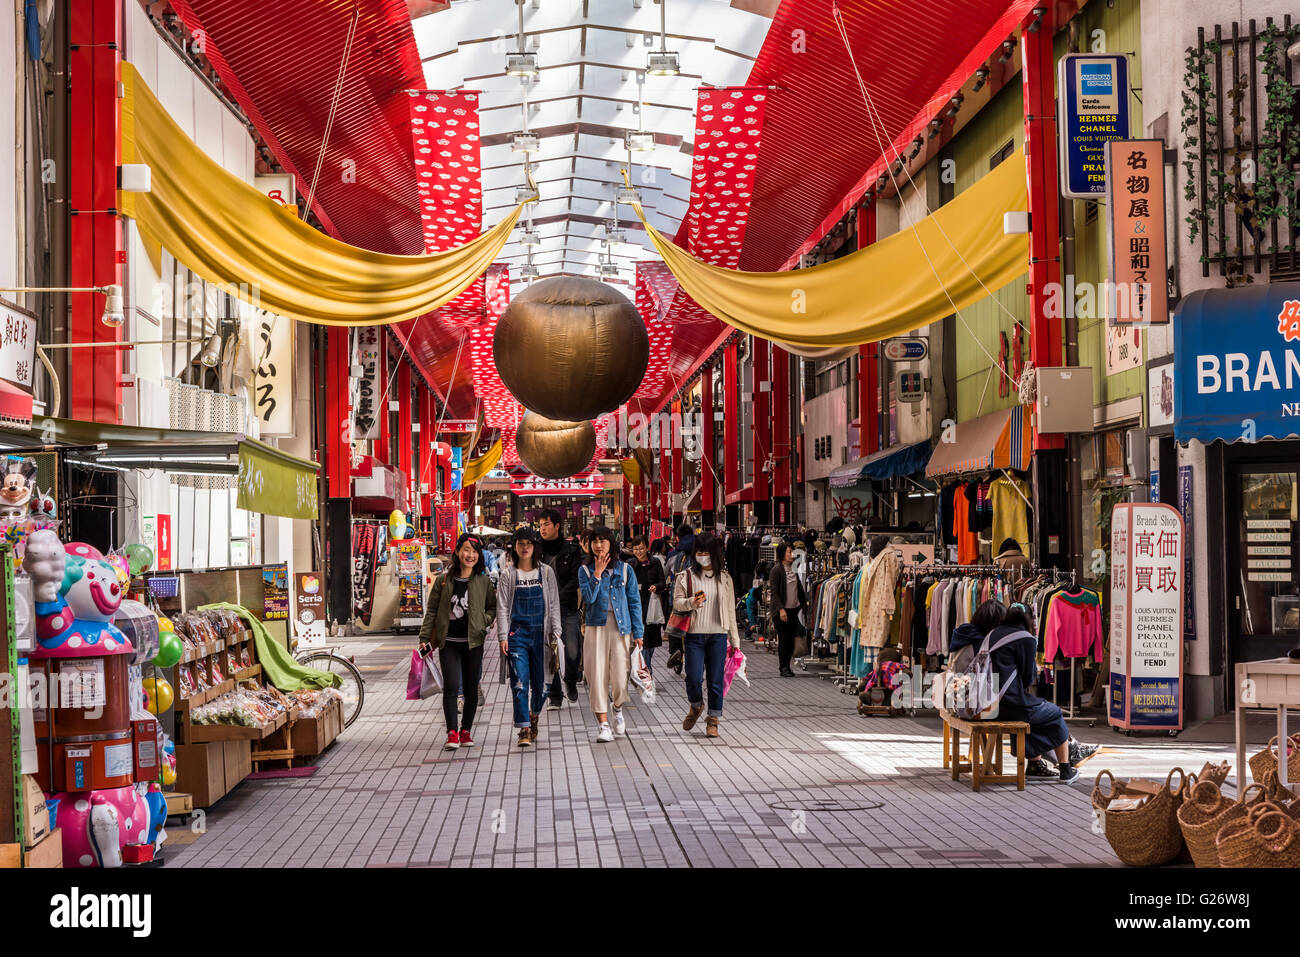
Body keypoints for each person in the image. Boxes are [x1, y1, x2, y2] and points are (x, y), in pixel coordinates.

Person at [948, 601, 1096, 782]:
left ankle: (1034, 764)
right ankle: (1066, 769)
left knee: (1035, 712)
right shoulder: (1025, 638)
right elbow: (1028, 677)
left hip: (984, 704)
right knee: (1054, 713)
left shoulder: (992, 634)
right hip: (1007, 704)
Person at [419, 533, 496, 751]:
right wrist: (425, 637)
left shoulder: (483, 580)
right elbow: (432, 610)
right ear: (457, 552)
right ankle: (452, 732)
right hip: (449, 642)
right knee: (451, 687)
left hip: (473, 642)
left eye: (474, 551)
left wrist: (485, 621)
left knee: (471, 689)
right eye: (466, 549)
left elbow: (492, 607)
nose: (469, 555)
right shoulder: (444, 579)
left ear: (478, 555)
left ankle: (466, 731)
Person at [672, 532, 742, 740]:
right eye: (699, 551)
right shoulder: (686, 577)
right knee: (692, 677)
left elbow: (730, 610)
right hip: (694, 635)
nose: (703, 555)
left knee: (715, 680)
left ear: (715, 553)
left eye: (706, 551)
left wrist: (735, 640)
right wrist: (690, 602)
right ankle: (696, 705)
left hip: (718, 635)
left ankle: (713, 720)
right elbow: (676, 602)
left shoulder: (725, 579)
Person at [496, 527, 561, 748]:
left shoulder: (546, 573)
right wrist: (503, 636)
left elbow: (553, 603)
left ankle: (534, 715)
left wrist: (556, 632)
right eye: (520, 543)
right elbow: (502, 607)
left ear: (535, 547)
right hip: (517, 637)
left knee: (543, 686)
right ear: (514, 547)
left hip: (542, 635)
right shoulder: (508, 575)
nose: (525, 548)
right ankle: (524, 728)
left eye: (529, 544)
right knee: (520, 683)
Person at [578, 525, 644, 742]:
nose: (598, 545)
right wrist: (596, 573)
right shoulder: (585, 570)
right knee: (596, 676)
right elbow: (588, 598)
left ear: (611, 544)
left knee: (619, 677)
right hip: (595, 628)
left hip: (621, 627)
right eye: (594, 542)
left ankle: (617, 708)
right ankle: (603, 725)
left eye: (602, 541)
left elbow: (634, 601)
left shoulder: (626, 569)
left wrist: (638, 632)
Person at [537, 508, 584, 709]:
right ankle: (555, 694)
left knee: (572, 649)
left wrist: (557, 599)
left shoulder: (571, 551)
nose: (542, 529)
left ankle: (571, 680)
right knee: (549, 652)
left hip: (567, 608)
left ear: (557, 526)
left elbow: (576, 579)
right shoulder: (536, 550)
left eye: (546, 524)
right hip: (543, 610)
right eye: (540, 525)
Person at [767, 542, 808, 677]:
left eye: (792, 552)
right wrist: (780, 609)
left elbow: (798, 586)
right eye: (789, 552)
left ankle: (787, 666)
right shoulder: (776, 570)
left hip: (794, 609)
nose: (792, 555)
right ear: (782, 554)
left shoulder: (794, 567)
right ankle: (783, 667)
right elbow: (774, 592)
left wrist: (803, 603)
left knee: (791, 639)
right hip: (781, 611)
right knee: (784, 639)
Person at [629, 534, 667, 674]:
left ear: (647, 547)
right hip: (637, 604)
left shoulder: (655, 562)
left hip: (652, 604)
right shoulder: (631, 564)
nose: (639, 551)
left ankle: (646, 665)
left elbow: (663, 583)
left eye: (641, 548)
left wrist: (656, 587)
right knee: (642, 637)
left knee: (652, 639)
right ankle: (646, 668)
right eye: (636, 549)